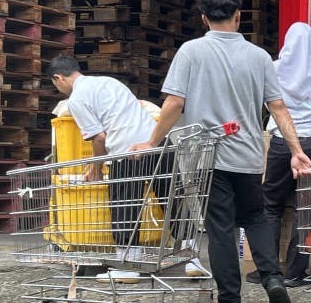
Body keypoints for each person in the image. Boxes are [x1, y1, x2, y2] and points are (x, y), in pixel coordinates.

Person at [131, 0, 311, 303]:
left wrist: (152, 141)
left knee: (220, 228)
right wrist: (296, 150)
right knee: (256, 218)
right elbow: (277, 107)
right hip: (246, 155)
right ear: (238, 17)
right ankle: (273, 277)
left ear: (204, 18)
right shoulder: (259, 57)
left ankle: (231, 302)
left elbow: (174, 103)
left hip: (207, 159)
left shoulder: (190, 52)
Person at [47, 56, 205, 282]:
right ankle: (192, 259)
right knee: (173, 199)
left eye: (56, 84)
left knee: (125, 204)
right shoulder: (109, 82)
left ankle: (128, 263)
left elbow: (99, 138)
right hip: (157, 142)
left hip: (127, 150)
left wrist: (96, 168)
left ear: (58, 78)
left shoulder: (77, 99)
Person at [259, 22, 311, 288]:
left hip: (282, 143)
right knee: (306, 209)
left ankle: (268, 271)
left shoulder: (272, 69)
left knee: (272, 206)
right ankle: (295, 273)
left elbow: (263, 103)